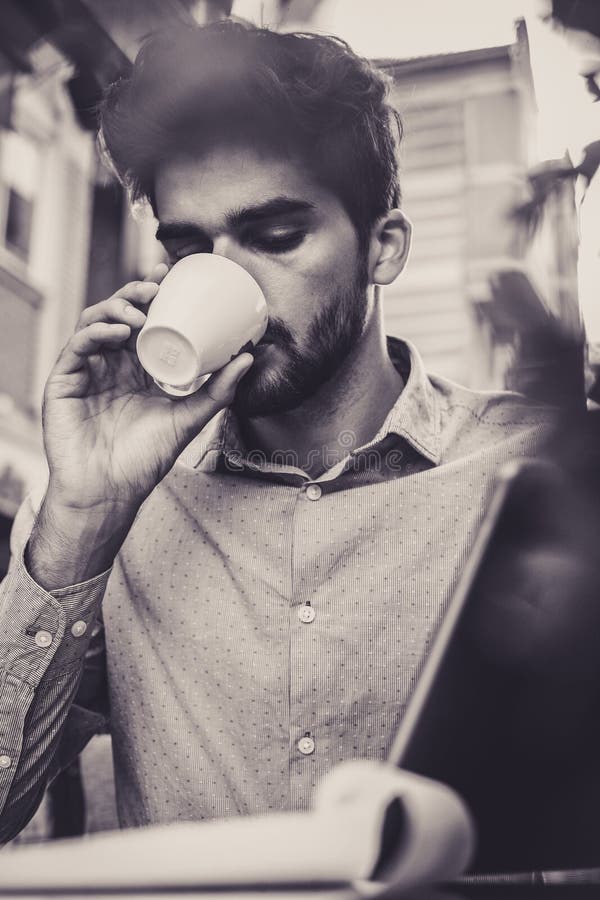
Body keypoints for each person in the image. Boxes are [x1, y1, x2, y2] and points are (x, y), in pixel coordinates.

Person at [0, 20, 553, 841]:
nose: (226, 277)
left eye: (275, 237)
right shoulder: (115, 506)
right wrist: (81, 526)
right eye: (190, 247)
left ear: (384, 247)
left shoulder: (538, 471)